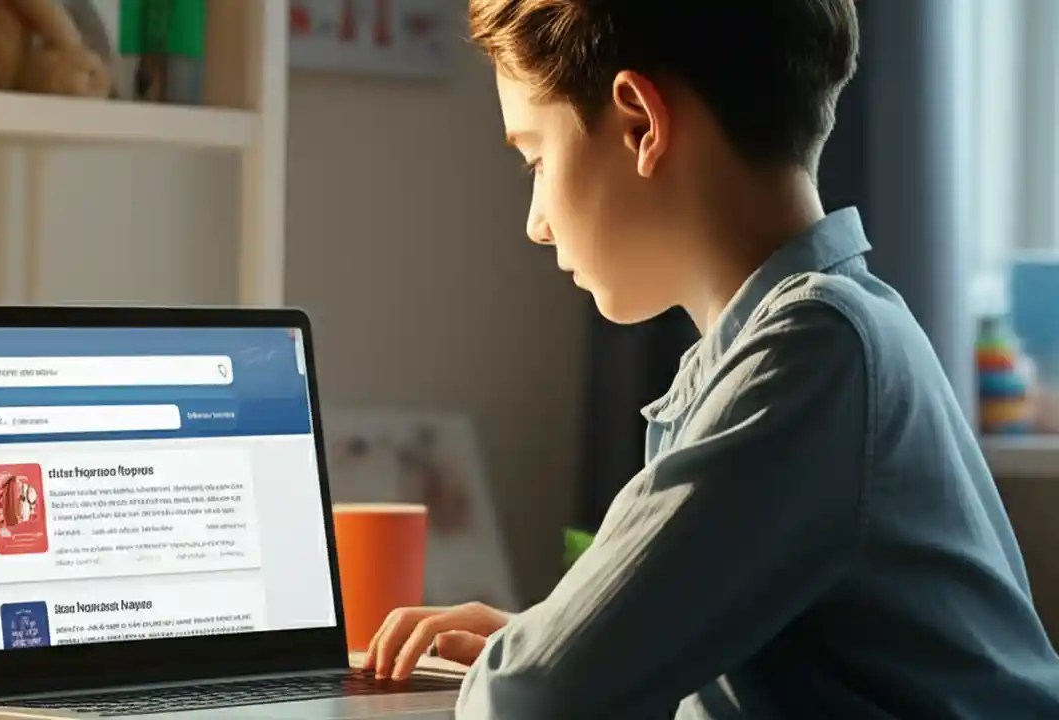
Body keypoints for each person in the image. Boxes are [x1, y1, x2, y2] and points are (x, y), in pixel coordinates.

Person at [362, 1, 1059, 717]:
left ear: (640, 124)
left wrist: (536, 662)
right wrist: (542, 639)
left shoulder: (807, 355)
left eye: (537, 159)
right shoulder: (826, 331)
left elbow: (535, 699)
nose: (536, 223)